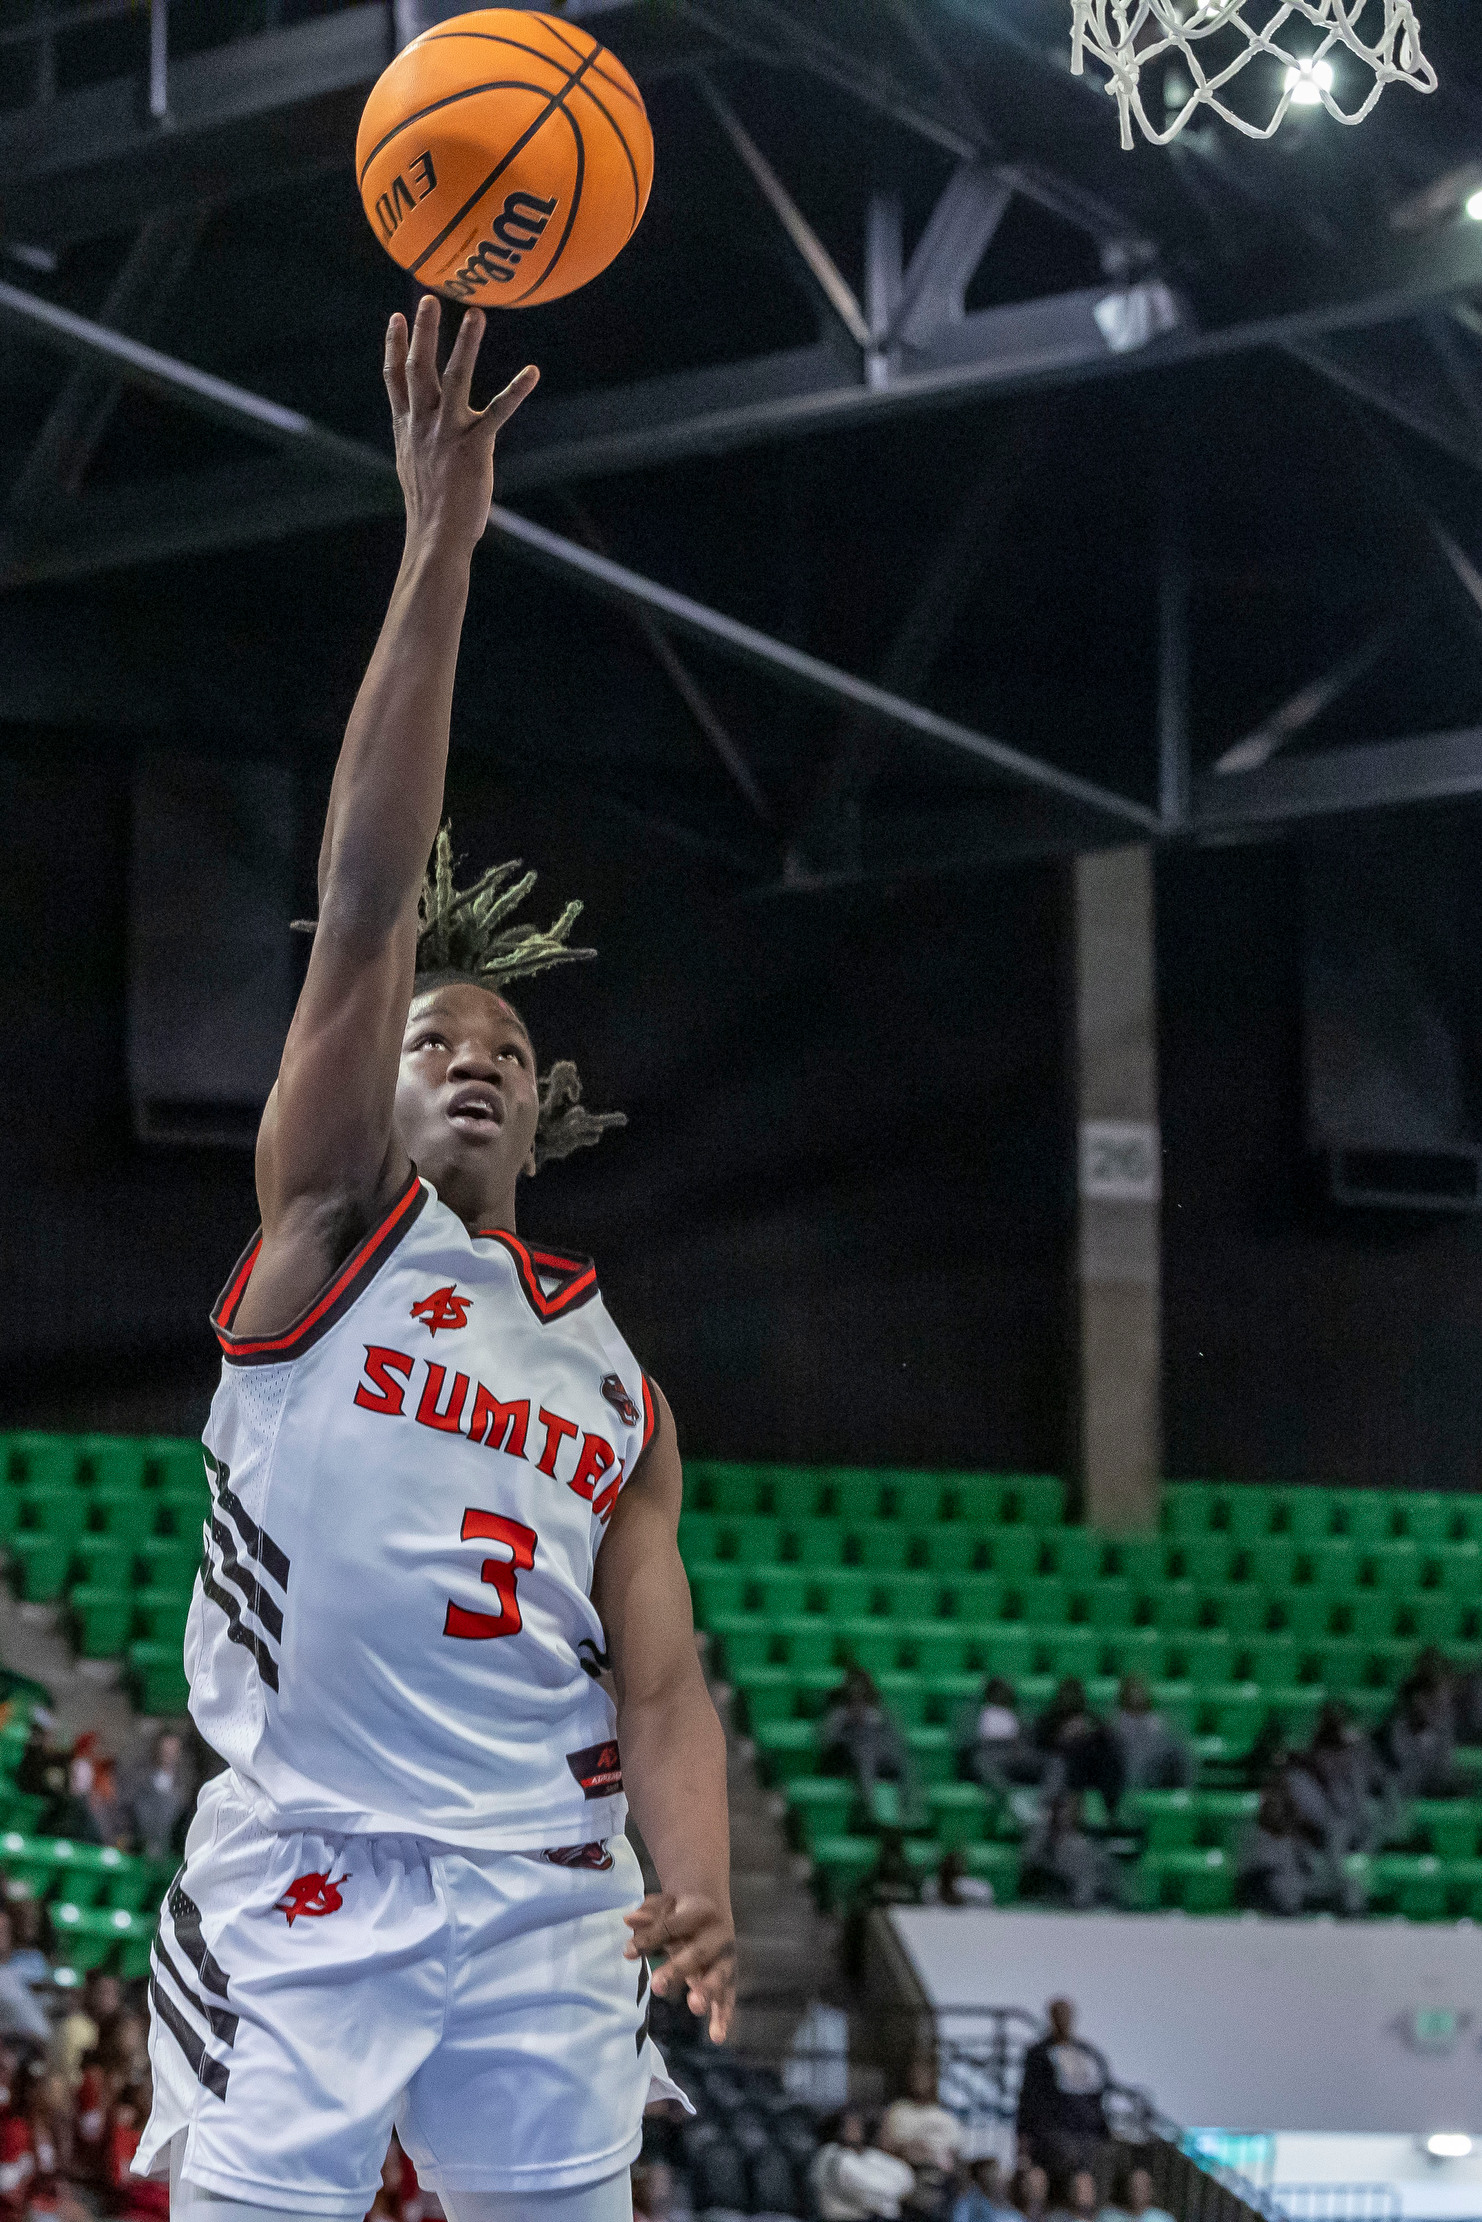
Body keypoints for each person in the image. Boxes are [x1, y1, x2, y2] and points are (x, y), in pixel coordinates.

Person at [131, 297, 734, 2222]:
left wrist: (698, 1866)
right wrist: (439, 538)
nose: (469, 1055)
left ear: (543, 1111)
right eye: (430, 1040)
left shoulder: (613, 1378)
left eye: (506, 1052)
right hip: (314, 1870)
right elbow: (374, 889)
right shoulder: (322, 1238)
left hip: (549, 1900)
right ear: (362, 1093)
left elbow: (657, 1678)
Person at [1236, 1776, 1366, 1918]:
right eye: (1274, 1803)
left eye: (1287, 1802)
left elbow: (1329, 1889)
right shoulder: (1255, 1841)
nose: (1280, 1807)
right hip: (1272, 1917)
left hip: (1310, 1913)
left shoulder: (1323, 1839)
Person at [1015, 2001, 1110, 2179]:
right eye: (1059, 2015)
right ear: (1051, 2018)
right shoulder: (1039, 2054)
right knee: (1070, 2155)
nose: (1063, 2020)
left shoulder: (1086, 2053)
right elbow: (1029, 2099)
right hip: (1054, 2131)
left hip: (1087, 2129)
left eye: (1066, 2015)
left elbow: (1097, 2096)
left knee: (1108, 2154)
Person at [822, 1671, 917, 1823]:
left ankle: (908, 1814)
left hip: (878, 1760)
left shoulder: (878, 1715)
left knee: (899, 1760)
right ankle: (870, 1814)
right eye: (853, 1695)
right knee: (864, 1757)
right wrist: (847, 1725)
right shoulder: (838, 1715)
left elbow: (893, 1742)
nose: (857, 1700)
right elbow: (827, 1743)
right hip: (844, 1761)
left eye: (861, 1694)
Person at [880, 2057, 964, 2217]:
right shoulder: (897, 2111)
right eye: (915, 2077)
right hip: (907, 2175)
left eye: (924, 2077)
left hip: (940, 2179)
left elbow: (955, 2154)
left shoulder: (945, 2116)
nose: (919, 2082)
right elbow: (885, 2149)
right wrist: (909, 2150)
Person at [1032, 1684, 1123, 1814]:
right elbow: (1040, 1744)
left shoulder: (1090, 1718)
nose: (1070, 1699)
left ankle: (1110, 1812)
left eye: (1074, 1694)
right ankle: (1049, 1812)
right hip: (1058, 1760)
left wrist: (1087, 1732)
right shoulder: (1049, 1719)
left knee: (1110, 1761)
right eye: (1067, 1694)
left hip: (1089, 1766)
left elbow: (1105, 1742)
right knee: (1061, 1763)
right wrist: (1063, 1736)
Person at [811, 2111, 917, 2221]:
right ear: (838, 2128)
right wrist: (892, 2199)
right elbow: (862, 2189)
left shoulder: (869, 2154)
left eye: (857, 2125)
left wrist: (890, 2196)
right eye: (849, 2125)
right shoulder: (830, 2154)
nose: (854, 2129)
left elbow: (905, 2176)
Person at [1020, 1795, 1119, 1912]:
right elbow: (1027, 1873)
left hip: (1075, 1912)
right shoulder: (1036, 1842)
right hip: (1039, 1910)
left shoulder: (1082, 1849)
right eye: (1051, 1808)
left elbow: (1085, 1893)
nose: (1055, 1814)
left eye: (1061, 1808)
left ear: (1075, 1811)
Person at [1107, 1678, 1193, 1798]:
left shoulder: (1156, 1720)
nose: (1137, 1696)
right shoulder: (1116, 1721)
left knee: (1178, 1751)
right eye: (1133, 1691)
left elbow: (1162, 1752)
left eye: (1140, 1691)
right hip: (1124, 1773)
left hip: (1153, 1775)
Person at [963, 1681, 1048, 1798]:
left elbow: (1029, 1740)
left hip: (1016, 1753)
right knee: (981, 1761)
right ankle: (1009, 1797)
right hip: (990, 1754)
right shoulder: (977, 1715)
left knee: (1055, 1761)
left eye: (1006, 1692)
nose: (1003, 1695)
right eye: (999, 1692)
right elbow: (968, 1744)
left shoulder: (1018, 1715)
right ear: (990, 1694)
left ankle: (1048, 1800)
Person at [126, 1731, 193, 1862]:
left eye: (172, 1751)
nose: (168, 1755)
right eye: (165, 1750)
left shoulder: (184, 1789)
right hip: (144, 1854)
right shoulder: (143, 1783)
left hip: (171, 1857)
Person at [1097, 2163, 1176, 2222]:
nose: (1138, 2191)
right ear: (1127, 2188)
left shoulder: (1162, 2219)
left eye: (1143, 2187)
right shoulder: (1109, 2216)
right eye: (1135, 2186)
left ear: (1151, 2190)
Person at [952, 2158, 1022, 2222]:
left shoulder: (1009, 2210)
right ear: (980, 2175)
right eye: (991, 2172)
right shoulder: (968, 2202)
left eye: (996, 2172)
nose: (995, 2176)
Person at [920, 1847, 994, 1907]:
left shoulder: (978, 1889)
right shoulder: (930, 1887)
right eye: (947, 1869)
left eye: (953, 1868)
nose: (950, 1870)